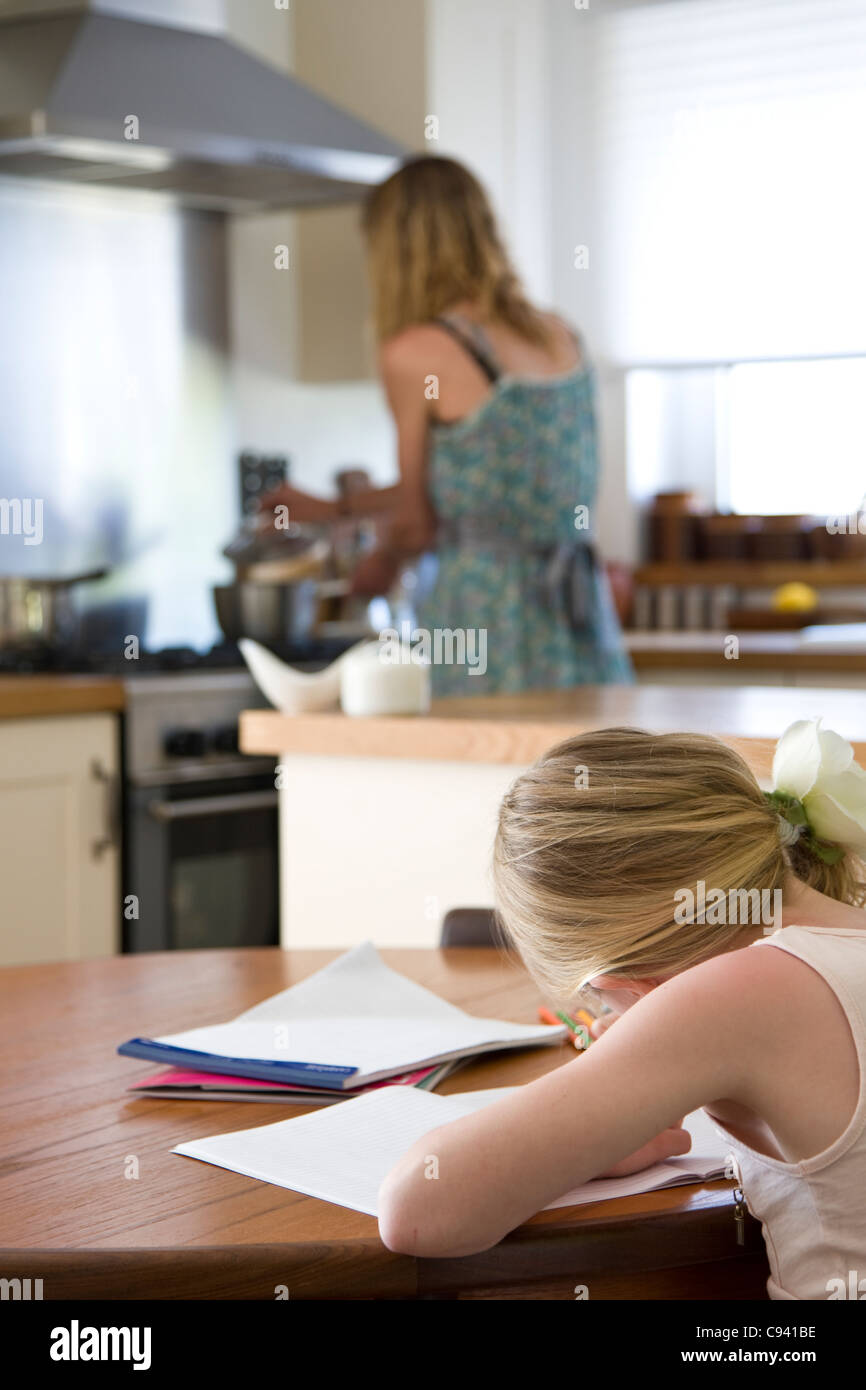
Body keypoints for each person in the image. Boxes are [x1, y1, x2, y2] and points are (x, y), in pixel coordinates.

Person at [377, 717, 866, 1300]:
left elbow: (415, 1211)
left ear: (623, 982)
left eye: (597, 1000)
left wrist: (591, 1132)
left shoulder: (734, 993)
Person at [259, 155, 632, 695]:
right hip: (580, 614)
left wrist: (381, 561)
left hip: (484, 619)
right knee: (584, 770)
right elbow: (483, 484)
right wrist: (328, 507)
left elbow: (418, 522)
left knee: (484, 772)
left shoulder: (416, 352)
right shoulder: (561, 335)